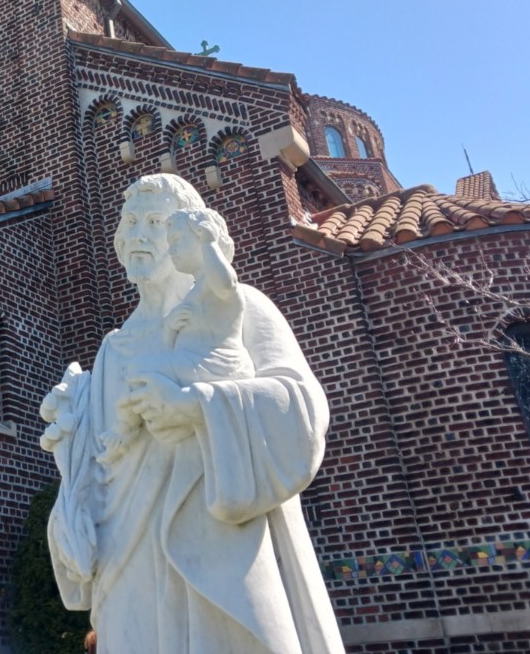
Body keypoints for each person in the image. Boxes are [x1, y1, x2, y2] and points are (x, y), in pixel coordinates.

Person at [41, 174, 344, 653]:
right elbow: (100, 471)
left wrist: (195, 408)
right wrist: (69, 448)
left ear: (187, 236)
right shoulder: (113, 352)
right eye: (132, 221)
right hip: (128, 566)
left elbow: (302, 407)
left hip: (223, 546)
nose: (139, 233)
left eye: (157, 222)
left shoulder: (237, 307)